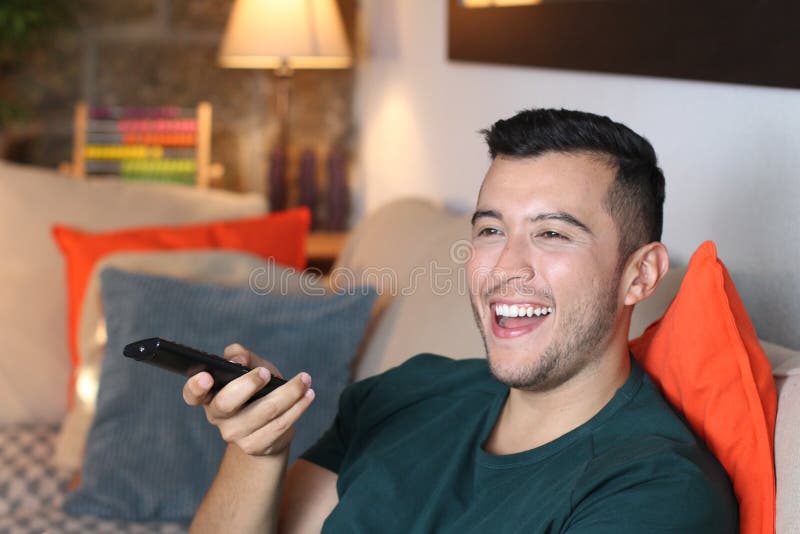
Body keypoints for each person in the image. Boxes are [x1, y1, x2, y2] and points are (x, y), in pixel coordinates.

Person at [183, 109, 738, 533]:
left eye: (551, 234)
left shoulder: (654, 491)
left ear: (640, 275)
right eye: (491, 230)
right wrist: (258, 449)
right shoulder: (406, 393)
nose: (505, 267)